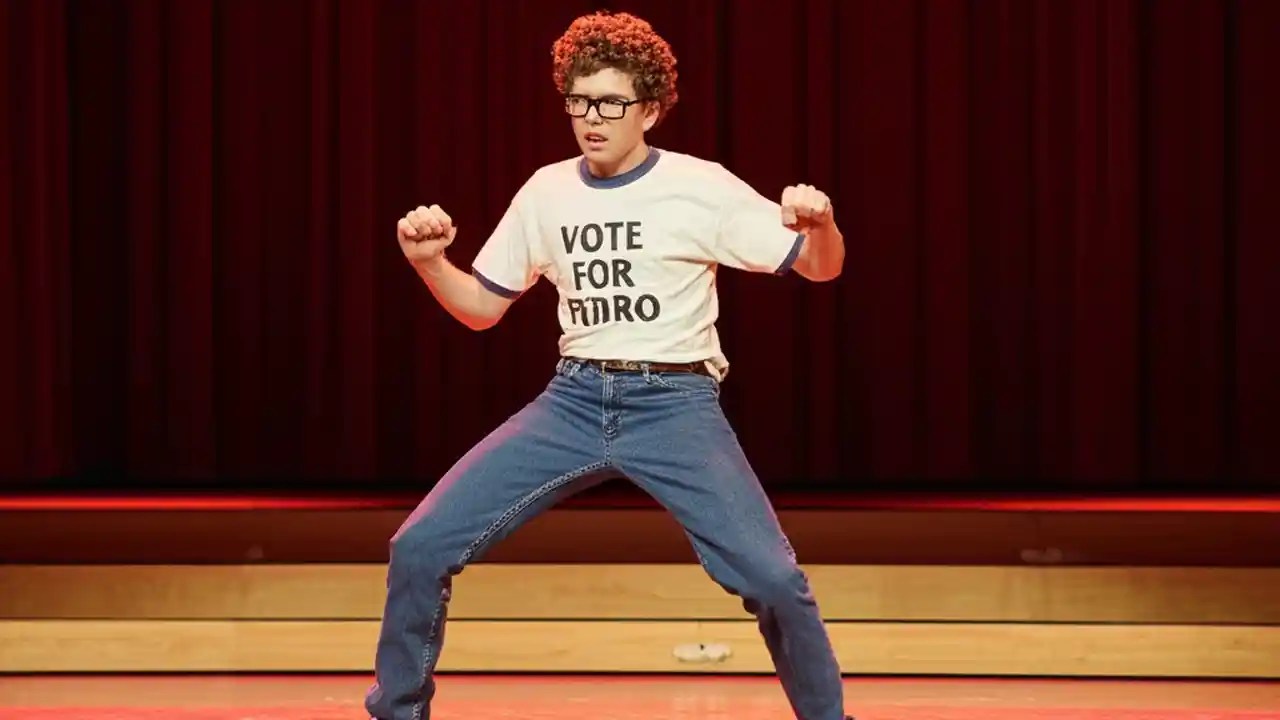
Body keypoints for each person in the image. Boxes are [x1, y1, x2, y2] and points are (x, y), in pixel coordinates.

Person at [366, 10, 853, 720]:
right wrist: (431, 263)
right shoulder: (546, 192)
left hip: (676, 404)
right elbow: (480, 308)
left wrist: (823, 225)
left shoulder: (700, 185)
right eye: (580, 101)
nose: (592, 118)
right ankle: (397, 712)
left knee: (775, 580)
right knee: (419, 543)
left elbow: (820, 268)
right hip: (574, 400)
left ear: (649, 109)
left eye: (612, 104)